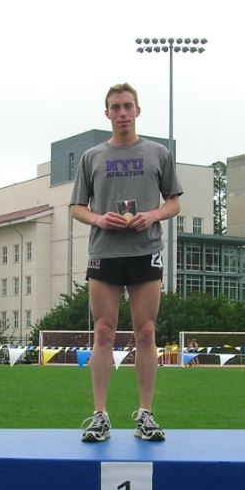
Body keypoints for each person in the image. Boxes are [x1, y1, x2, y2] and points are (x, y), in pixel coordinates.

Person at [70, 82, 182, 442]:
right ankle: (100, 415)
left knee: (145, 333)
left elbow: (174, 202)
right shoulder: (92, 157)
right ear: (107, 114)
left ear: (137, 111)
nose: (122, 113)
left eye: (127, 106)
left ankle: (145, 415)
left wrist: (153, 215)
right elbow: (76, 208)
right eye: (115, 107)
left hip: (145, 249)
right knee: (103, 332)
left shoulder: (158, 153)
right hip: (104, 252)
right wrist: (99, 219)